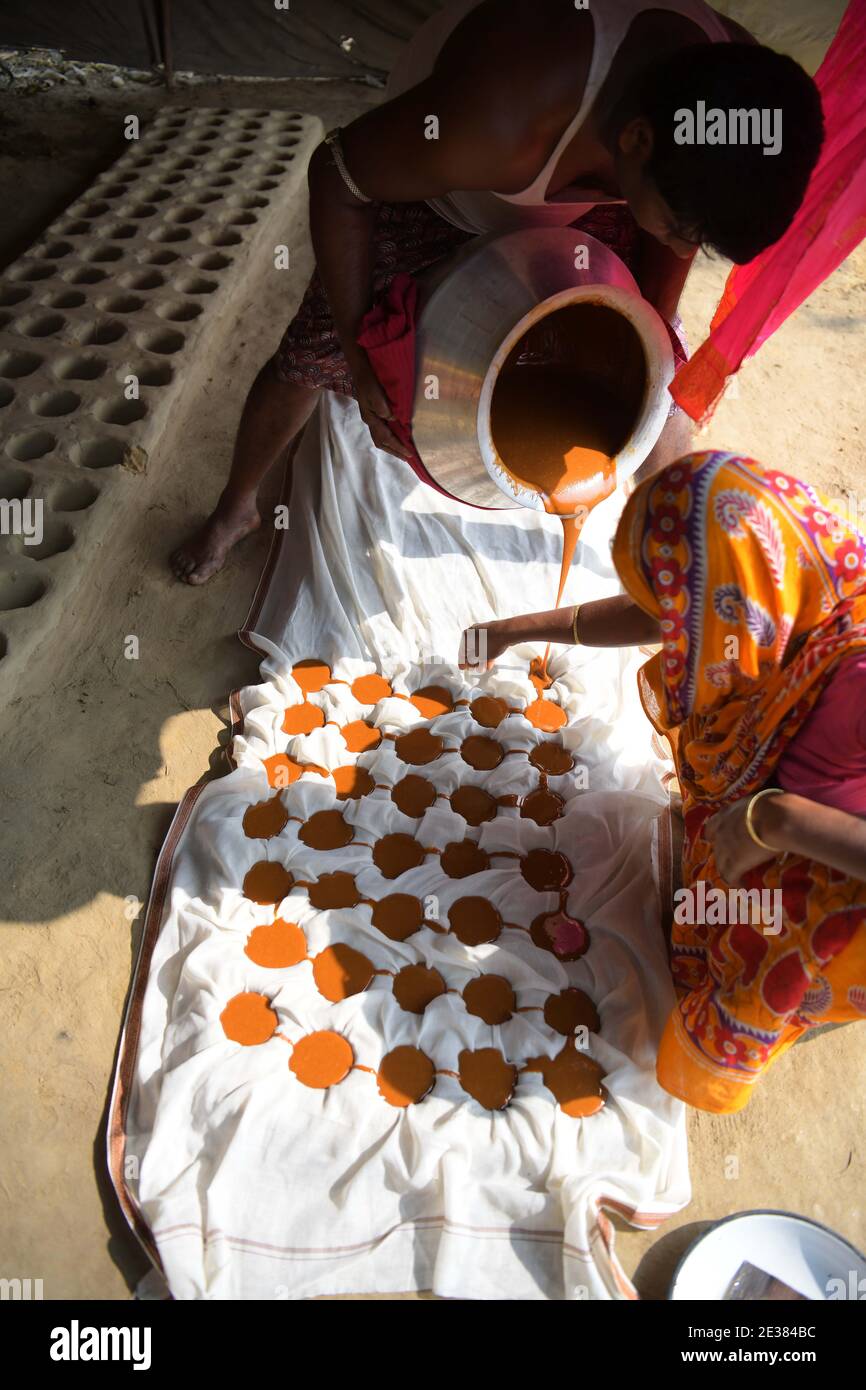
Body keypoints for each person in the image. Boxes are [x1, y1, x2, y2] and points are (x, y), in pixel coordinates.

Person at [171, 0, 824, 584]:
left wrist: (651, 329)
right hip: (440, 193)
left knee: (659, 369)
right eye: (684, 231)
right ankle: (237, 507)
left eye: (698, 240)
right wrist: (354, 340)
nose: (685, 250)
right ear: (635, 141)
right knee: (312, 357)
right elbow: (339, 176)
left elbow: (674, 237)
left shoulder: (740, 105)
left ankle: (678, 565)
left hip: (614, 185)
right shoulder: (495, 118)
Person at [458, 452, 866, 1113]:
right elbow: (666, 611)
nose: (676, 634)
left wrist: (777, 822)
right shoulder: (796, 569)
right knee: (720, 877)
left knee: (760, 971)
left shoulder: (855, 679)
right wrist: (514, 630)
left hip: (845, 883)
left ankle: (772, 1004)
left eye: (679, 609)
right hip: (798, 808)